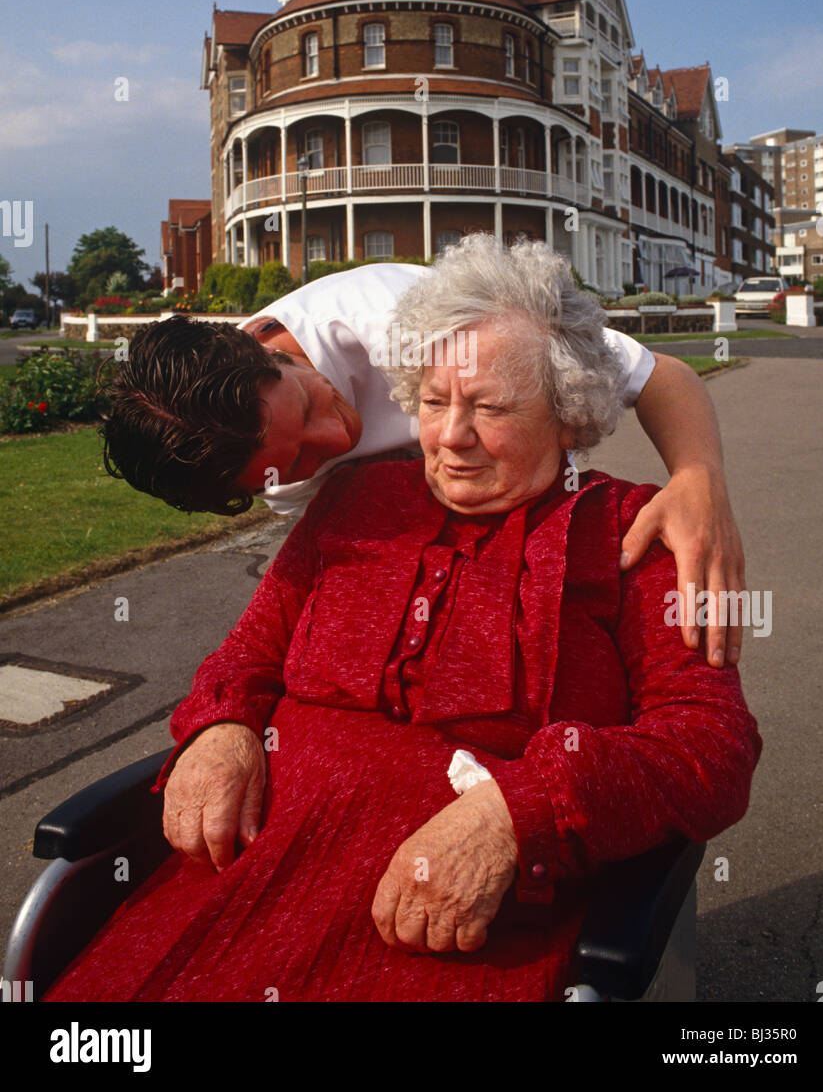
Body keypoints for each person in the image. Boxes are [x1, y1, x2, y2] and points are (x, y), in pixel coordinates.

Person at [45, 238, 761, 1003]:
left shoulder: (631, 534)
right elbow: (245, 658)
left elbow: (709, 749)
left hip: (452, 926)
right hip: (246, 876)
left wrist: (519, 812)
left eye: (488, 407)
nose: (449, 436)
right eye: (431, 401)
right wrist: (220, 729)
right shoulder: (348, 501)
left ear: (570, 413)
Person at [102, 256, 745, 666]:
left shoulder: (398, 318)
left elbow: (656, 374)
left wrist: (699, 481)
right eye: (293, 464)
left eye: (306, 408)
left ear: (267, 343)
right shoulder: (248, 453)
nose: (334, 441)